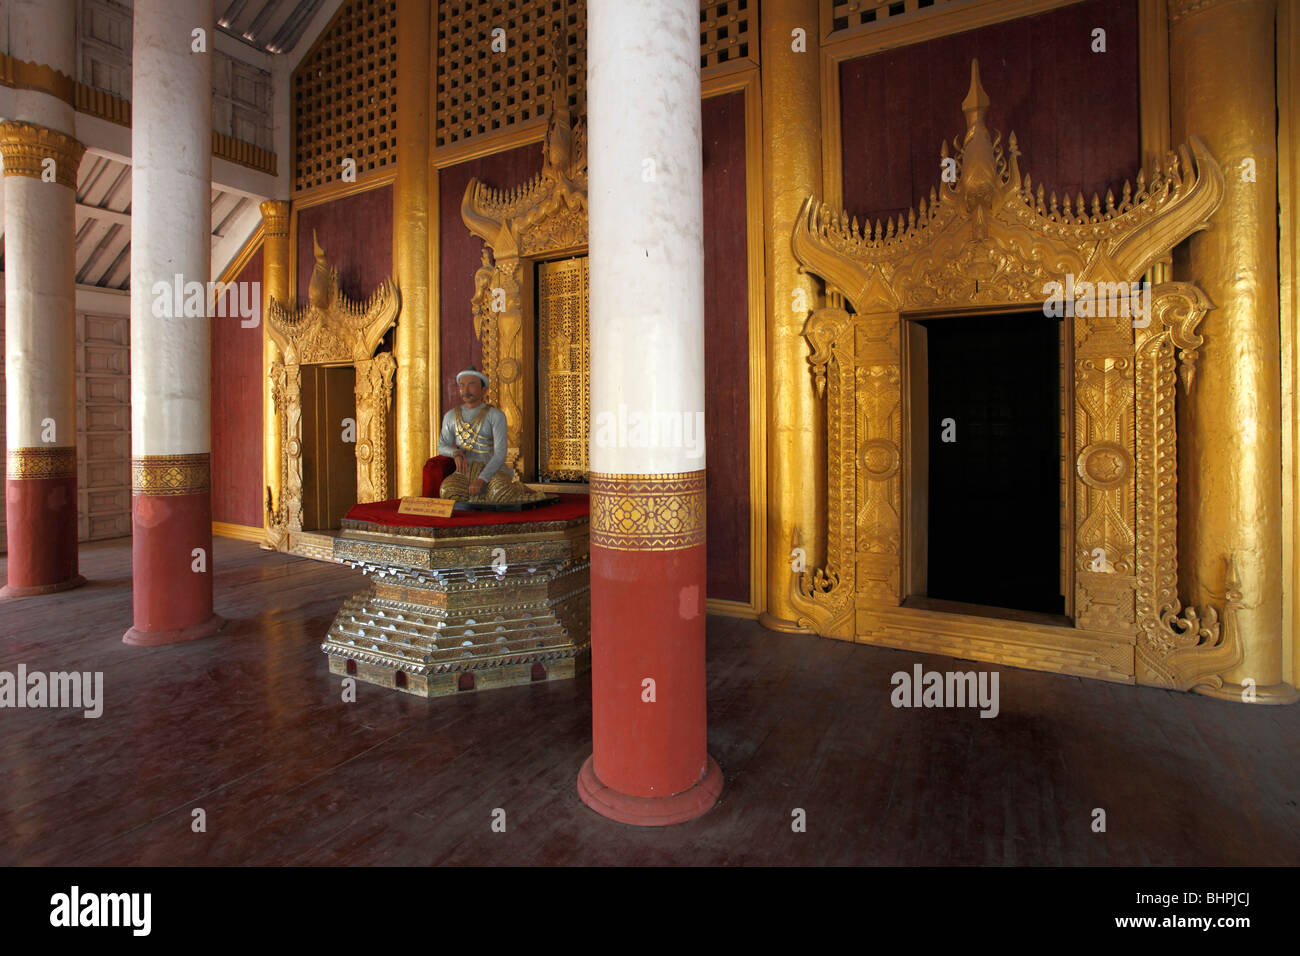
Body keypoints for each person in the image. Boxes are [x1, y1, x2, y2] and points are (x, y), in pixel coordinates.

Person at [436, 367, 545, 504]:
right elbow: (442, 446)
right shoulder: (451, 415)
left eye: (471, 384)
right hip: (465, 470)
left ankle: (518, 488)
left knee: (498, 494)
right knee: (447, 492)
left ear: (484, 390)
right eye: (462, 385)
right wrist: (455, 452)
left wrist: (481, 480)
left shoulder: (495, 415)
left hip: (492, 470)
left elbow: (500, 454)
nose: (466, 389)